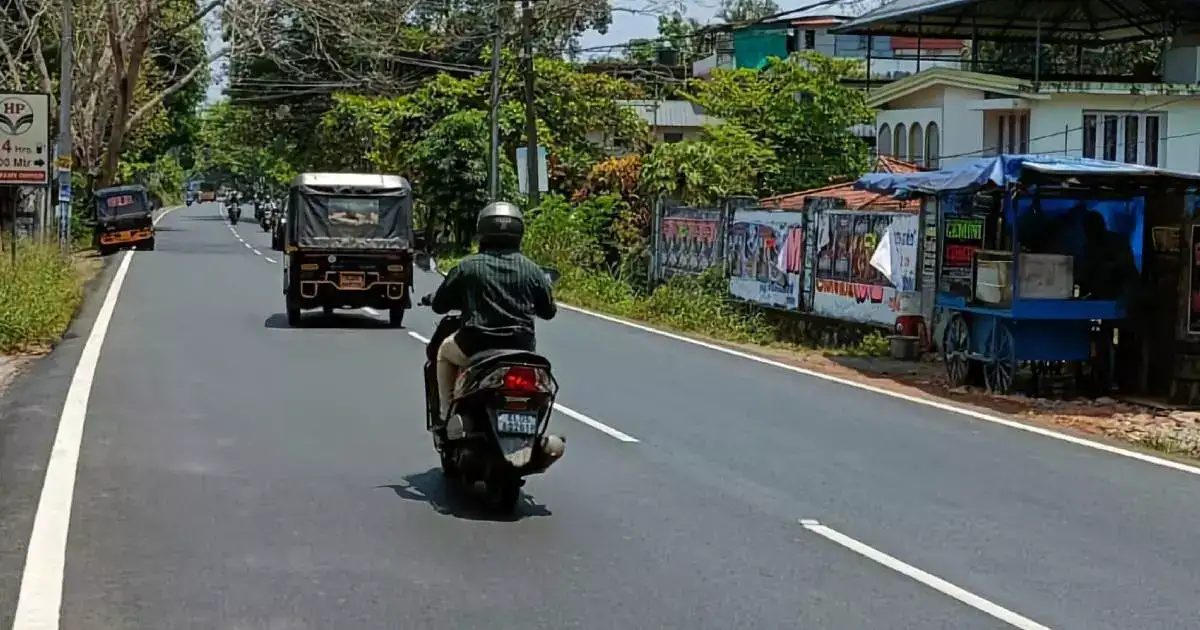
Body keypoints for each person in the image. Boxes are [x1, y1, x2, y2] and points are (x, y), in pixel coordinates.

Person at [424, 201, 557, 426]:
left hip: (475, 346)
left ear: (482, 232)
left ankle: (446, 417)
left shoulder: (468, 267)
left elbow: (439, 305)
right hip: (521, 348)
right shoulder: (533, 270)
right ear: (519, 233)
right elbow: (548, 311)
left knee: (443, 352)